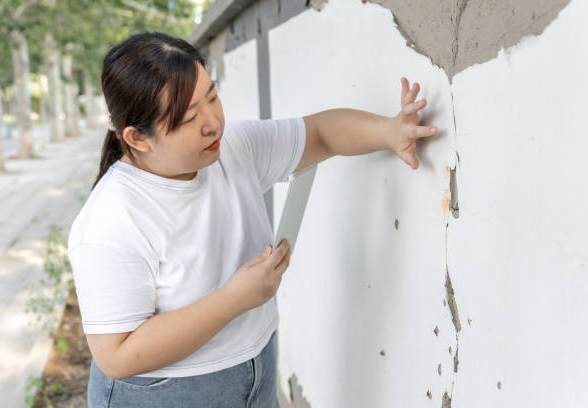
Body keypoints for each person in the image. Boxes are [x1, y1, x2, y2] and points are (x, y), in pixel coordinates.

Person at [68, 32, 438, 407]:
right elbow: (116, 355)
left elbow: (322, 135)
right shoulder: (110, 219)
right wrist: (233, 299)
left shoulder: (233, 149)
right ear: (138, 138)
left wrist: (390, 131)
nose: (213, 122)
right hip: (166, 393)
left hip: (256, 365)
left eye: (212, 96)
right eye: (188, 117)